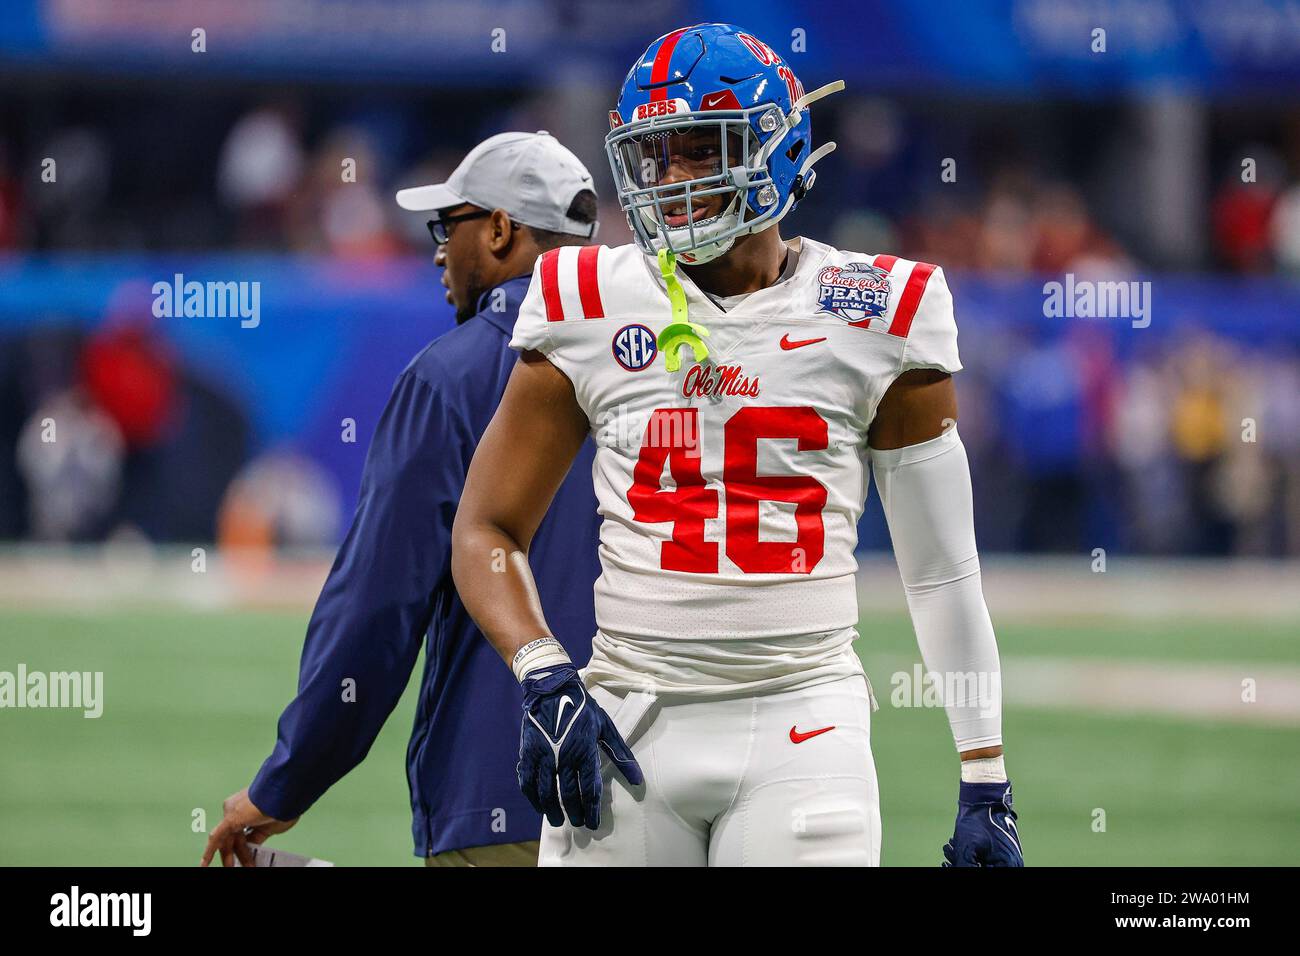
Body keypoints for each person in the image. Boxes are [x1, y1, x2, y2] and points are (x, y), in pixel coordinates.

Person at [451, 24, 1023, 866]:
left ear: (777, 150)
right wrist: (541, 670)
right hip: (627, 718)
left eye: (696, 149)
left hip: (805, 723)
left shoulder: (875, 311)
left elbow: (941, 569)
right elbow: (486, 528)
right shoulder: (587, 298)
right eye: (654, 157)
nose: (671, 181)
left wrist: (986, 777)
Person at [201, 131, 603, 867]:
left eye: (448, 227)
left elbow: (378, 609)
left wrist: (286, 782)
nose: (438, 251)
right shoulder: (657, 363)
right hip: (655, 795)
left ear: (502, 230)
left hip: (505, 787)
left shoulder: (452, 377)